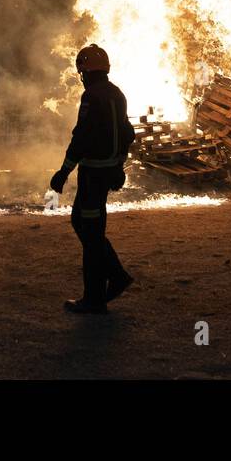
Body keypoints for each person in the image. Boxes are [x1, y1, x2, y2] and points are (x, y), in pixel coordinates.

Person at [48, 43, 135, 314]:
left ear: (85, 71)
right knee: (86, 226)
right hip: (107, 172)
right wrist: (119, 165)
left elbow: (81, 137)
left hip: (93, 175)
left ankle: (96, 296)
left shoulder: (91, 97)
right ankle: (114, 277)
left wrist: (63, 171)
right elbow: (128, 132)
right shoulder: (118, 94)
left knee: (90, 232)